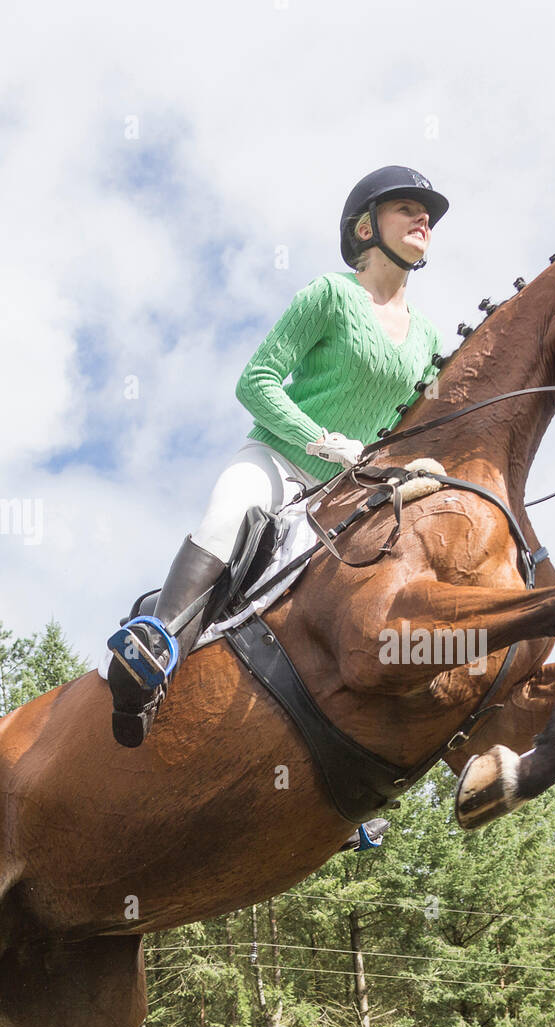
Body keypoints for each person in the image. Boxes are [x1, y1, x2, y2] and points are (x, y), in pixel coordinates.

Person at [106, 166, 448, 758]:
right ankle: (154, 641)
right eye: (407, 209)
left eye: (429, 215)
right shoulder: (329, 294)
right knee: (224, 518)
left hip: (343, 496)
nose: (424, 219)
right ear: (366, 227)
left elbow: (412, 428)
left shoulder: (430, 340)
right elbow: (256, 381)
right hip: (277, 459)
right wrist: (320, 439)